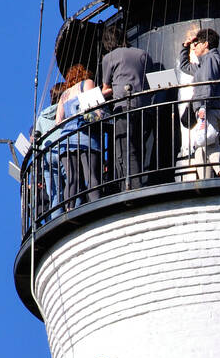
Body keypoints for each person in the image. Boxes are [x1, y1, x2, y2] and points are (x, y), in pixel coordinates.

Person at [176, 24, 220, 180]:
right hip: (206, 109)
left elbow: (207, 83)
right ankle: (206, 181)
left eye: (197, 43)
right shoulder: (203, 63)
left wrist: (203, 107)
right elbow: (185, 66)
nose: (195, 46)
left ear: (206, 44)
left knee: (210, 144)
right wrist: (185, 48)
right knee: (200, 148)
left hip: (208, 109)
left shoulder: (211, 59)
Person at [100, 23, 148, 189]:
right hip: (142, 105)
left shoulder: (109, 58)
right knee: (139, 145)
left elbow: (106, 88)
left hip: (122, 105)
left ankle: (132, 186)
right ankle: (139, 180)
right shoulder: (142, 54)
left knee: (124, 148)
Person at [55, 63, 104, 208]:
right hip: (84, 136)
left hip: (66, 141)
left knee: (72, 178)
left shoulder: (64, 94)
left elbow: (58, 121)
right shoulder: (87, 83)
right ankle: (96, 205)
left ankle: (68, 209)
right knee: (91, 175)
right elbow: (94, 107)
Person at [34, 82, 66, 221]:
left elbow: (35, 139)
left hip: (47, 156)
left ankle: (55, 218)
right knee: (71, 183)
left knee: (54, 192)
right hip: (64, 150)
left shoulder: (42, 117)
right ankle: (72, 209)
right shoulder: (66, 110)